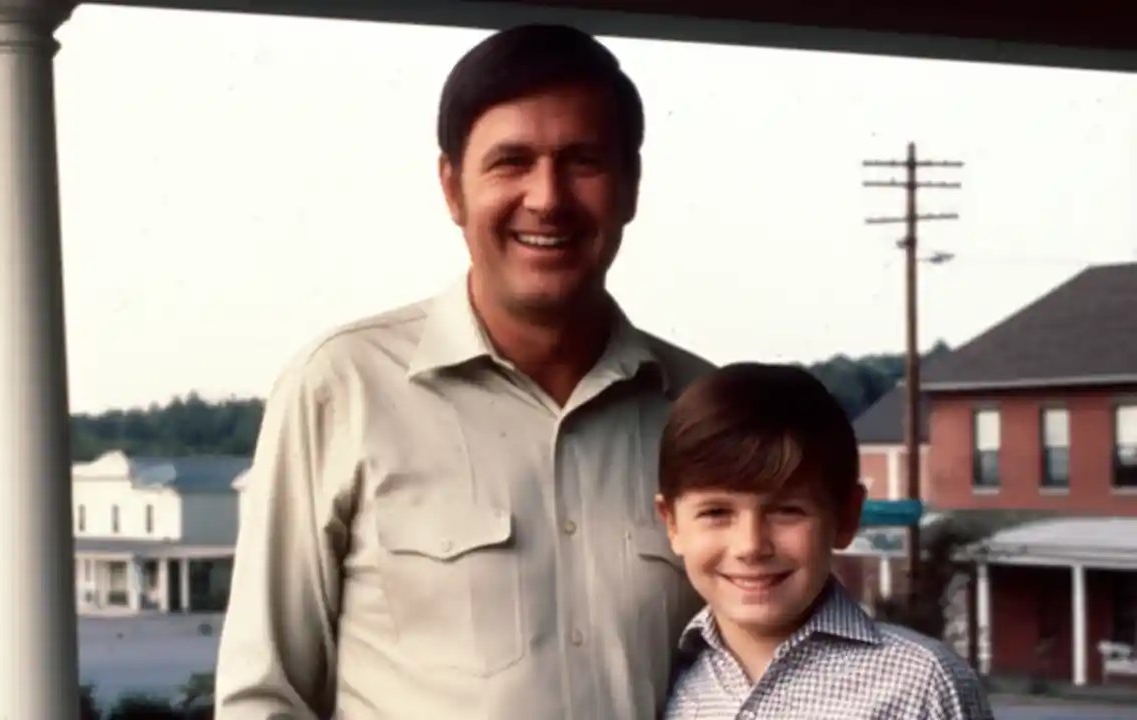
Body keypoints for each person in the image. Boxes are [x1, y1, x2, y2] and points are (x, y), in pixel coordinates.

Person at [214, 23, 715, 720]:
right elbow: (264, 699)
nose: (547, 197)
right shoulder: (343, 387)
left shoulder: (703, 410)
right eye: (511, 162)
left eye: (582, 161)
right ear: (452, 188)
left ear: (630, 186)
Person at [656, 363, 994, 719]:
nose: (751, 546)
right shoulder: (662, 681)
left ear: (846, 517)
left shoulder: (924, 684)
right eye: (716, 512)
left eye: (787, 511)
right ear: (672, 523)